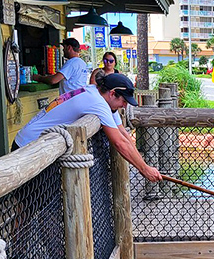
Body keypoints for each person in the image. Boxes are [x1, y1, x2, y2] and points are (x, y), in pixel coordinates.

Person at [13, 73, 162, 183]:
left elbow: (123, 134)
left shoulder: (96, 93)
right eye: (123, 101)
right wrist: (144, 169)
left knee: (42, 206)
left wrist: (145, 166)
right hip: (28, 146)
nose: (124, 106)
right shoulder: (98, 103)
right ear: (112, 93)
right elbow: (119, 143)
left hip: (37, 143)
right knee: (29, 209)